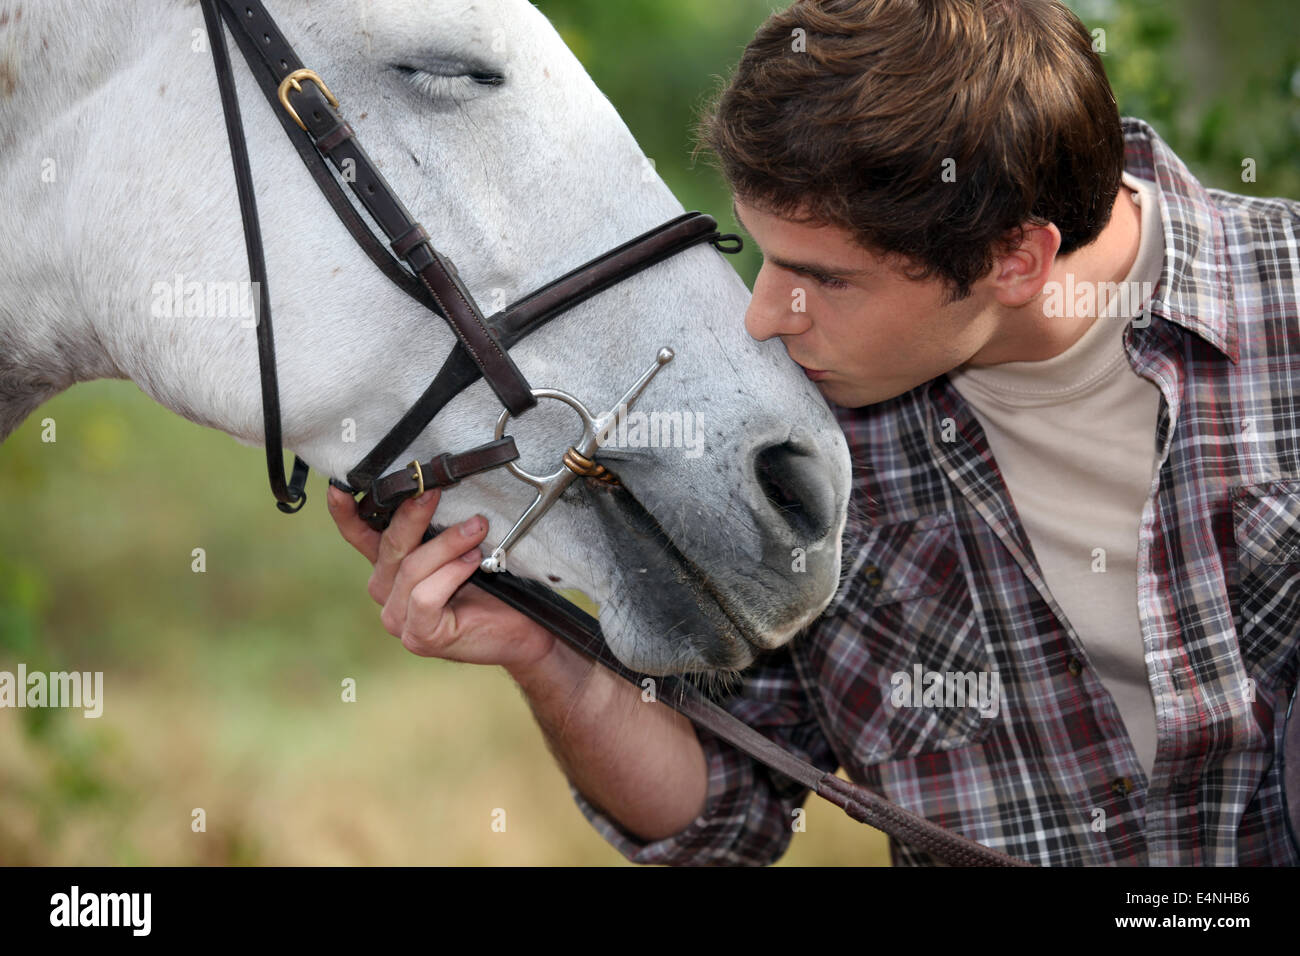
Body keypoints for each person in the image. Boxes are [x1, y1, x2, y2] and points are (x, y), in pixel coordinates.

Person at [327, 0, 1300, 866]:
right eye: (763, 255)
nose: (762, 319)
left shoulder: (1285, 311)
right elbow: (725, 819)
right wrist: (548, 660)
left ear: (1015, 257)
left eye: (823, 278)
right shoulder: (785, 436)